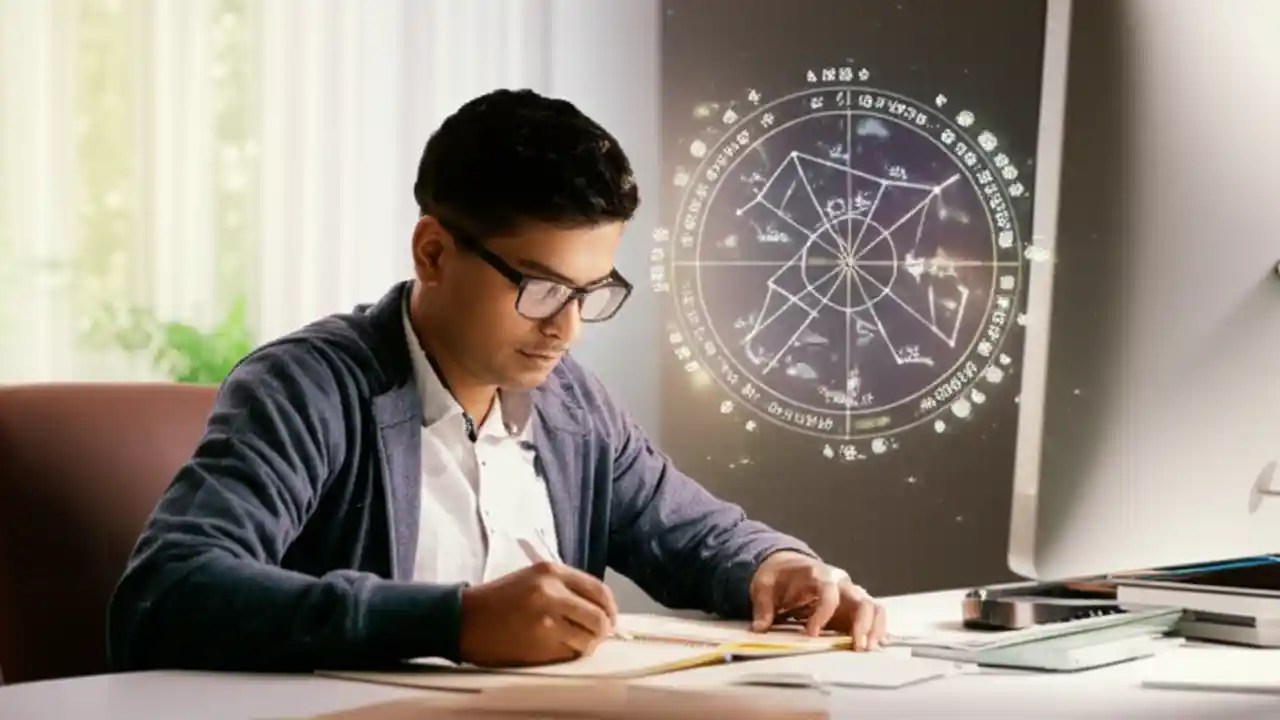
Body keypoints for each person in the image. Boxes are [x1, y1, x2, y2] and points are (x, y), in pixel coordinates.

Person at [107, 88, 887, 672]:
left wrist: (777, 566)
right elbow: (167, 594)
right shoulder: (309, 389)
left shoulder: (571, 404)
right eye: (542, 288)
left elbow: (691, 532)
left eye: (591, 293)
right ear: (433, 254)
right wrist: (454, 623)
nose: (567, 328)